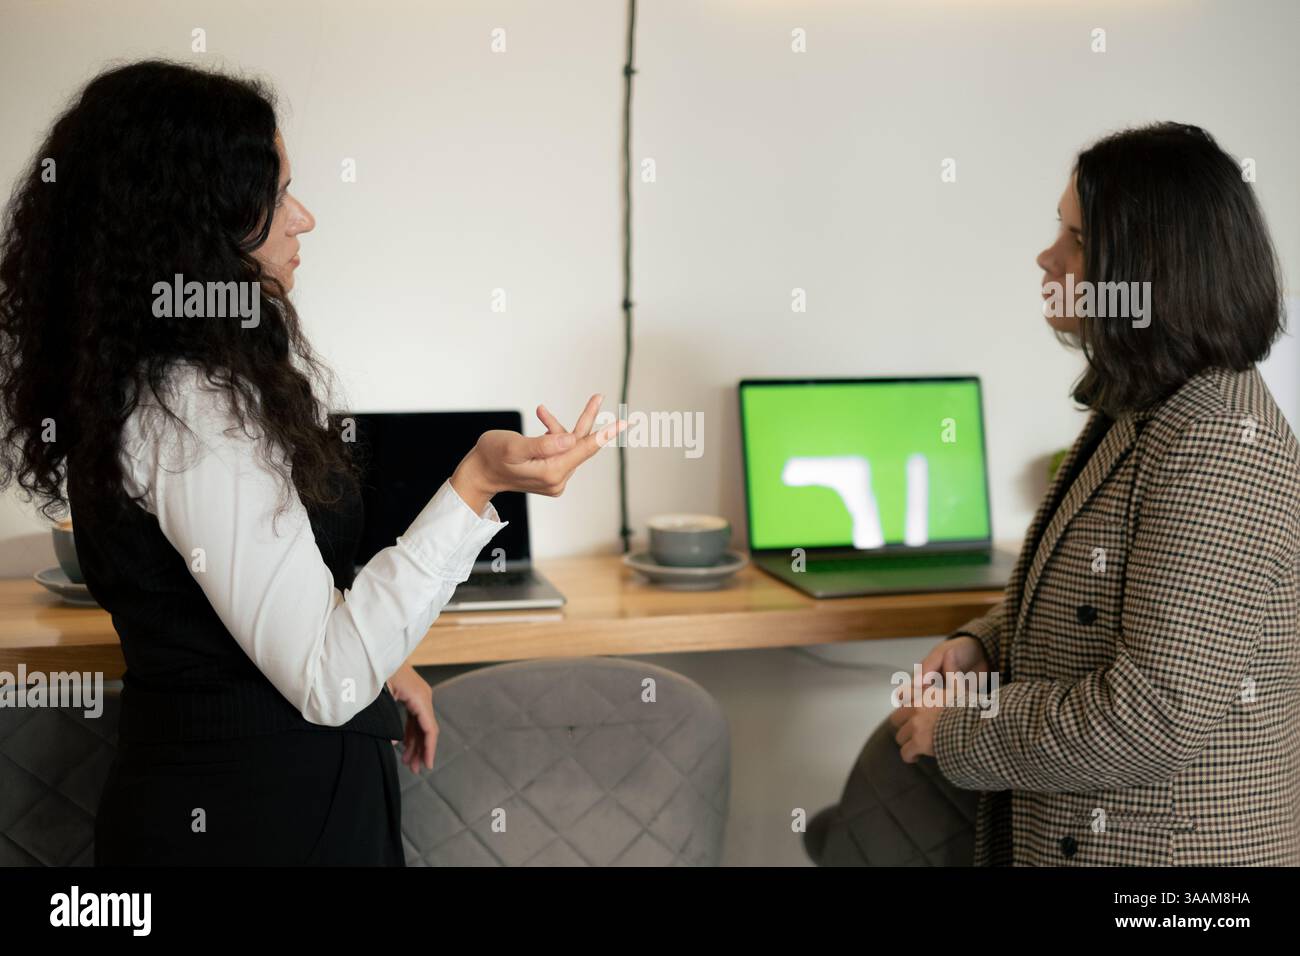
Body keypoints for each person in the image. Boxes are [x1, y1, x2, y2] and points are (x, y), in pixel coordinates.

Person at [0, 59, 623, 865]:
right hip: (259, 821)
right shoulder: (193, 404)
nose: (305, 218)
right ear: (197, 223)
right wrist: (476, 483)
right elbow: (327, 680)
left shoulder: (148, 379)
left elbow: (259, 582)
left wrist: (384, 661)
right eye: (278, 193)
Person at [891, 122, 1300, 866]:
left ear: (1150, 270)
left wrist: (957, 731)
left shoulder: (1218, 447)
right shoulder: (1151, 404)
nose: (1048, 257)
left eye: (1076, 240)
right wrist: (983, 645)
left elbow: (1149, 718)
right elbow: (1095, 604)